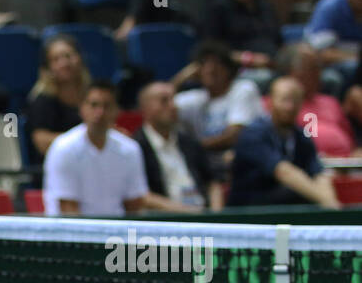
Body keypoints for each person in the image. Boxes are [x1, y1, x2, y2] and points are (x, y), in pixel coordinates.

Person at [43, 80, 149, 216]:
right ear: (82, 108)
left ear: (117, 111)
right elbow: (68, 211)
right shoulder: (63, 148)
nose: (100, 112)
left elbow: (134, 206)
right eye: (94, 105)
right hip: (70, 233)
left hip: (116, 234)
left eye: (107, 106)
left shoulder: (130, 150)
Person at [229, 76, 340, 205]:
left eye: (295, 101)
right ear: (270, 101)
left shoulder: (301, 136)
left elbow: (318, 174)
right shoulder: (253, 134)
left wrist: (332, 204)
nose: (290, 107)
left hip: (285, 209)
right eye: (285, 100)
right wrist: (325, 200)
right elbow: (283, 172)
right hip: (249, 210)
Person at [173, 40, 263, 177]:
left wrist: (193, 148)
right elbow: (157, 103)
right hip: (207, 165)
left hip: (243, 162)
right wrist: (182, 77)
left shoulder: (243, 89)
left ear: (229, 68)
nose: (210, 69)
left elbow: (234, 136)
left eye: (217, 64)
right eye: (204, 64)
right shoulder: (195, 98)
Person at [133, 81, 223, 211]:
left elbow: (213, 182)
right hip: (164, 222)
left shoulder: (189, 141)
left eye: (173, 99)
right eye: (164, 101)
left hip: (202, 218)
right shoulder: (136, 147)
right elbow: (140, 195)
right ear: (145, 109)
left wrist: (216, 216)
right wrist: (185, 212)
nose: (173, 106)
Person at [273, 42, 358, 156]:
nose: (318, 73)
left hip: (347, 164)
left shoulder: (331, 102)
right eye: (311, 68)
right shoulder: (276, 104)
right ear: (291, 72)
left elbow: (350, 140)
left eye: (319, 67)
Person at [202, 0, 282, 72]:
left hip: (272, 65)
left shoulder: (266, 8)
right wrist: (249, 59)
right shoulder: (218, 8)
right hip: (237, 69)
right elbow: (211, 49)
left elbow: (278, 41)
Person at [26, 35, 89, 162]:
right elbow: (42, 143)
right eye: (56, 59)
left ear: (80, 59)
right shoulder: (42, 100)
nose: (64, 63)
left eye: (69, 56)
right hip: (57, 164)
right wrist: (86, 139)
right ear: (48, 68)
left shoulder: (91, 94)